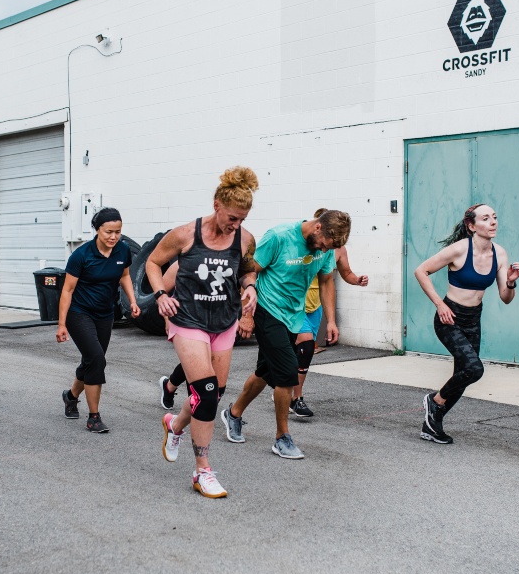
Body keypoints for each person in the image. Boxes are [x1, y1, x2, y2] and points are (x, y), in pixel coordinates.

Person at [146, 167, 259, 497]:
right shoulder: (185, 235)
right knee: (207, 393)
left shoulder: (244, 238)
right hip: (188, 320)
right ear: (216, 205)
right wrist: (161, 296)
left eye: (241, 219)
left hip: (224, 322)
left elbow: (247, 269)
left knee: (212, 394)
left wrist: (250, 287)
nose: (235, 225)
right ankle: (202, 471)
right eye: (232, 218)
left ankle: (175, 425)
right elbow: (153, 263)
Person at [221, 209, 351, 460]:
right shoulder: (279, 237)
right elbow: (248, 272)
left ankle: (233, 414)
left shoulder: (325, 249)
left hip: (294, 315)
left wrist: (331, 320)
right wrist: (246, 314)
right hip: (267, 310)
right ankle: (282, 437)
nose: (324, 251)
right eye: (324, 245)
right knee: (287, 372)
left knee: (265, 372)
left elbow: (326, 282)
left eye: (329, 249)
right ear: (317, 228)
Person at [413, 204, 519, 445]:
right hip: (449, 317)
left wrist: (511, 283)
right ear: (471, 226)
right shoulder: (459, 249)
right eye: (485, 218)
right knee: (474, 369)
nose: (493, 222)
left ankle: (431, 426)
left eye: (494, 217)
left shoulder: (500, 254)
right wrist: (439, 305)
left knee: (462, 376)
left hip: (473, 319)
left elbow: (505, 298)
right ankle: (434, 401)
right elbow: (421, 271)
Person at [57, 208, 140, 433]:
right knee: (96, 359)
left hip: (105, 314)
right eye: (108, 232)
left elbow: (124, 276)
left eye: (118, 232)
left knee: (92, 360)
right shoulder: (81, 255)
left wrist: (132, 301)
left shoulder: (122, 250)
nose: (113, 237)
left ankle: (71, 396)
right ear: (97, 230)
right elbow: (67, 290)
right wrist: (62, 324)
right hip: (79, 313)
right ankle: (94, 417)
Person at [289, 208, 369, 418]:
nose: (326, 247)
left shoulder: (336, 250)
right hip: (295, 304)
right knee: (303, 348)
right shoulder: (306, 246)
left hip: (314, 306)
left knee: (303, 353)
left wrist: (357, 280)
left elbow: (343, 275)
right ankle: (295, 398)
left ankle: (290, 393)